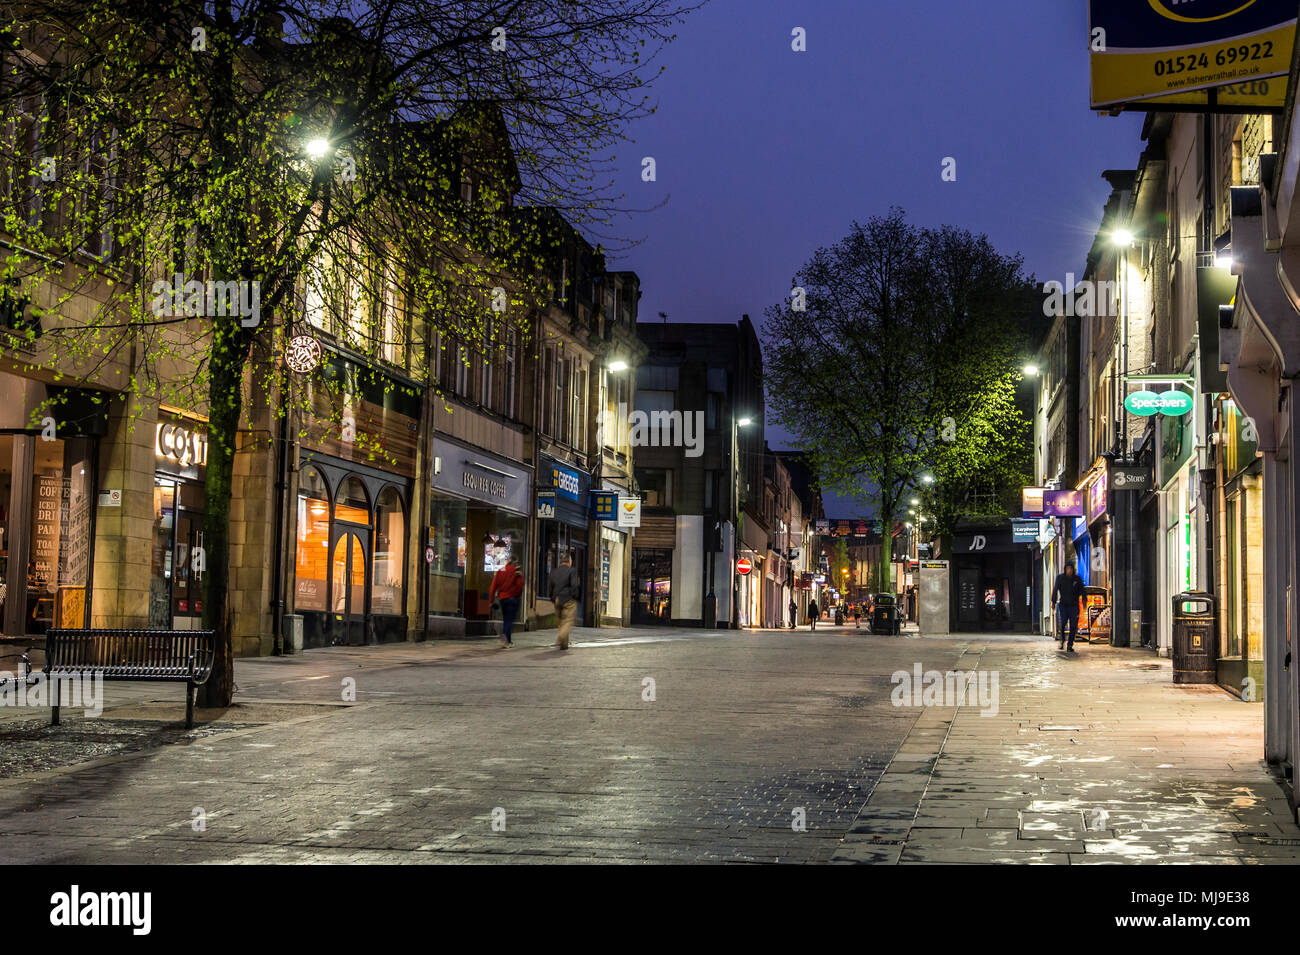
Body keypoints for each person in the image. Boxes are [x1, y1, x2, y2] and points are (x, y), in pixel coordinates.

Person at [547, 552, 582, 650]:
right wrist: (574, 596)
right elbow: (574, 585)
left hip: (557, 599)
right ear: (569, 562)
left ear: (560, 562)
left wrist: (553, 598)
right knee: (568, 621)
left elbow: (550, 587)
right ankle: (561, 637)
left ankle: (564, 645)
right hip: (568, 599)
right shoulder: (572, 571)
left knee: (561, 622)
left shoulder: (553, 572)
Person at [489, 553, 524, 648]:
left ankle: (508, 641)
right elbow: (520, 585)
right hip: (513, 598)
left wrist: (491, 600)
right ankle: (504, 638)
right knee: (509, 620)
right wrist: (518, 596)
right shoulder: (517, 571)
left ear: (508, 561)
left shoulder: (501, 570)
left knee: (506, 619)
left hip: (502, 598)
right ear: (515, 562)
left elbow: (493, 586)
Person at [1051, 562, 1086, 652]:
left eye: (1070, 569)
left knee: (1073, 626)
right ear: (1065, 569)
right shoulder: (1060, 578)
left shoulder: (1077, 579)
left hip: (1074, 605)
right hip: (1063, 605)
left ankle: (1070, 644)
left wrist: (1084, 600)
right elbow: (1055, 590)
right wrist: (1053, 601)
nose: (1069, 571)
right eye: (1067, 569)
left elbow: (1082, 590)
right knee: (1063, 623)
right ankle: (1062, 640)